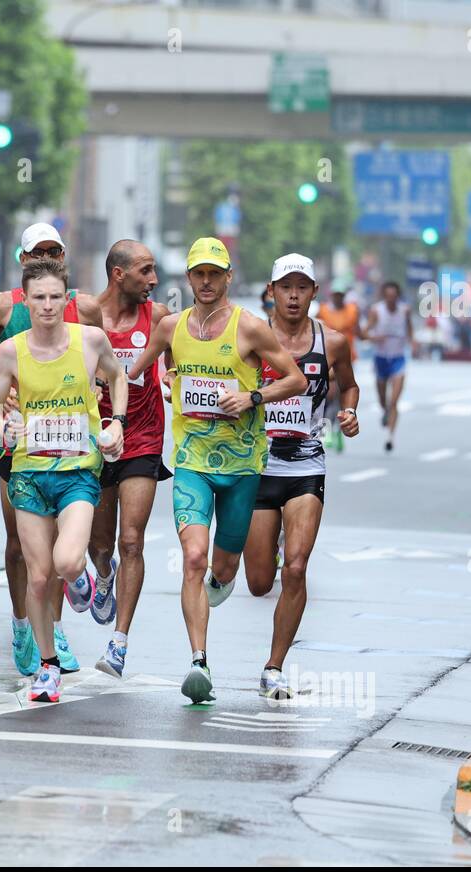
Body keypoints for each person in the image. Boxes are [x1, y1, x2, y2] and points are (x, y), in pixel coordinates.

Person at [126, 237, 305, 704]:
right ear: (187, 278)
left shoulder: (249, 329)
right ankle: (199, 662)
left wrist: (253, 397)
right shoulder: (170, 326)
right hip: (191, 464)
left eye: (214, 274)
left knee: (224, 569)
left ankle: (220, 583)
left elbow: (296, 378)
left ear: (228, 277)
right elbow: (134, 371)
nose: (205, 282)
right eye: (198, 274)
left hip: (243, 468)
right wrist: (164, 378)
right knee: (192, 558)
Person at [0, 258, 129, 702]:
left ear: (66, 300)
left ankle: (83, 577)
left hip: (77, 472)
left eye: (54, 297)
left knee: (67, 563)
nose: (46, 305)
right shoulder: (12, 350)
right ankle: (47, 666)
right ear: (25, 301)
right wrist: (0, 427)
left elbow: (119, 375)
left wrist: (116, 423)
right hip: (29, 473)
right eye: (38, 297)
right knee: (40, 577)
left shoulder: (89, 340)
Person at [241, 254, 360, 699]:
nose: (293, 295)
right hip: (257, 464)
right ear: (270, 291)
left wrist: (348, 410)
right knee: (258, 583)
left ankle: (274, 666)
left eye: (302, 287)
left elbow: (348, 383)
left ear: (314, 293)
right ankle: (267, 547)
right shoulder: (251, 336)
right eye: (285, 287)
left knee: (296, 566)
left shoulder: (332, 341)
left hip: (307, 464)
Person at [86, 239, 172, 678]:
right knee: (99, 545)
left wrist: (173, 378)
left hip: (142, 437)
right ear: (118, 274)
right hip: (95, 440)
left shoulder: (157, 317)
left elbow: (173, 359)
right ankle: (103, 574)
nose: (154, 281)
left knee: (132, 539)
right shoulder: (86, 317)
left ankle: (118, 644)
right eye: (145, 271)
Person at [363, 280, 411, 452]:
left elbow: (409, 329)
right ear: (384, 296)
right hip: (381, 359)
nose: (391, 300)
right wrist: (376, 338)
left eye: (394, 297)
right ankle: (385, 412)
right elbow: (364, 333)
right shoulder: (377, 310)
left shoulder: (405, 310)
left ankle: (390, 437)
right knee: (383, 400)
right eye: (388, 297)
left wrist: (413, 342)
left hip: (398, 359)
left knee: (394, 401)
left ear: (398, 296)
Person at [317, 284, 359, 453]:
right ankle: (326, 433)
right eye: (335, 294)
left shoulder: (352, 311)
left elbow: (358, 330)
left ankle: (338, 430)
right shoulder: (323, 311)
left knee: (341, 398)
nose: (338, 298)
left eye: (341, 294)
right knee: (328, 396)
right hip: (326, 358)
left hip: (347, 359)